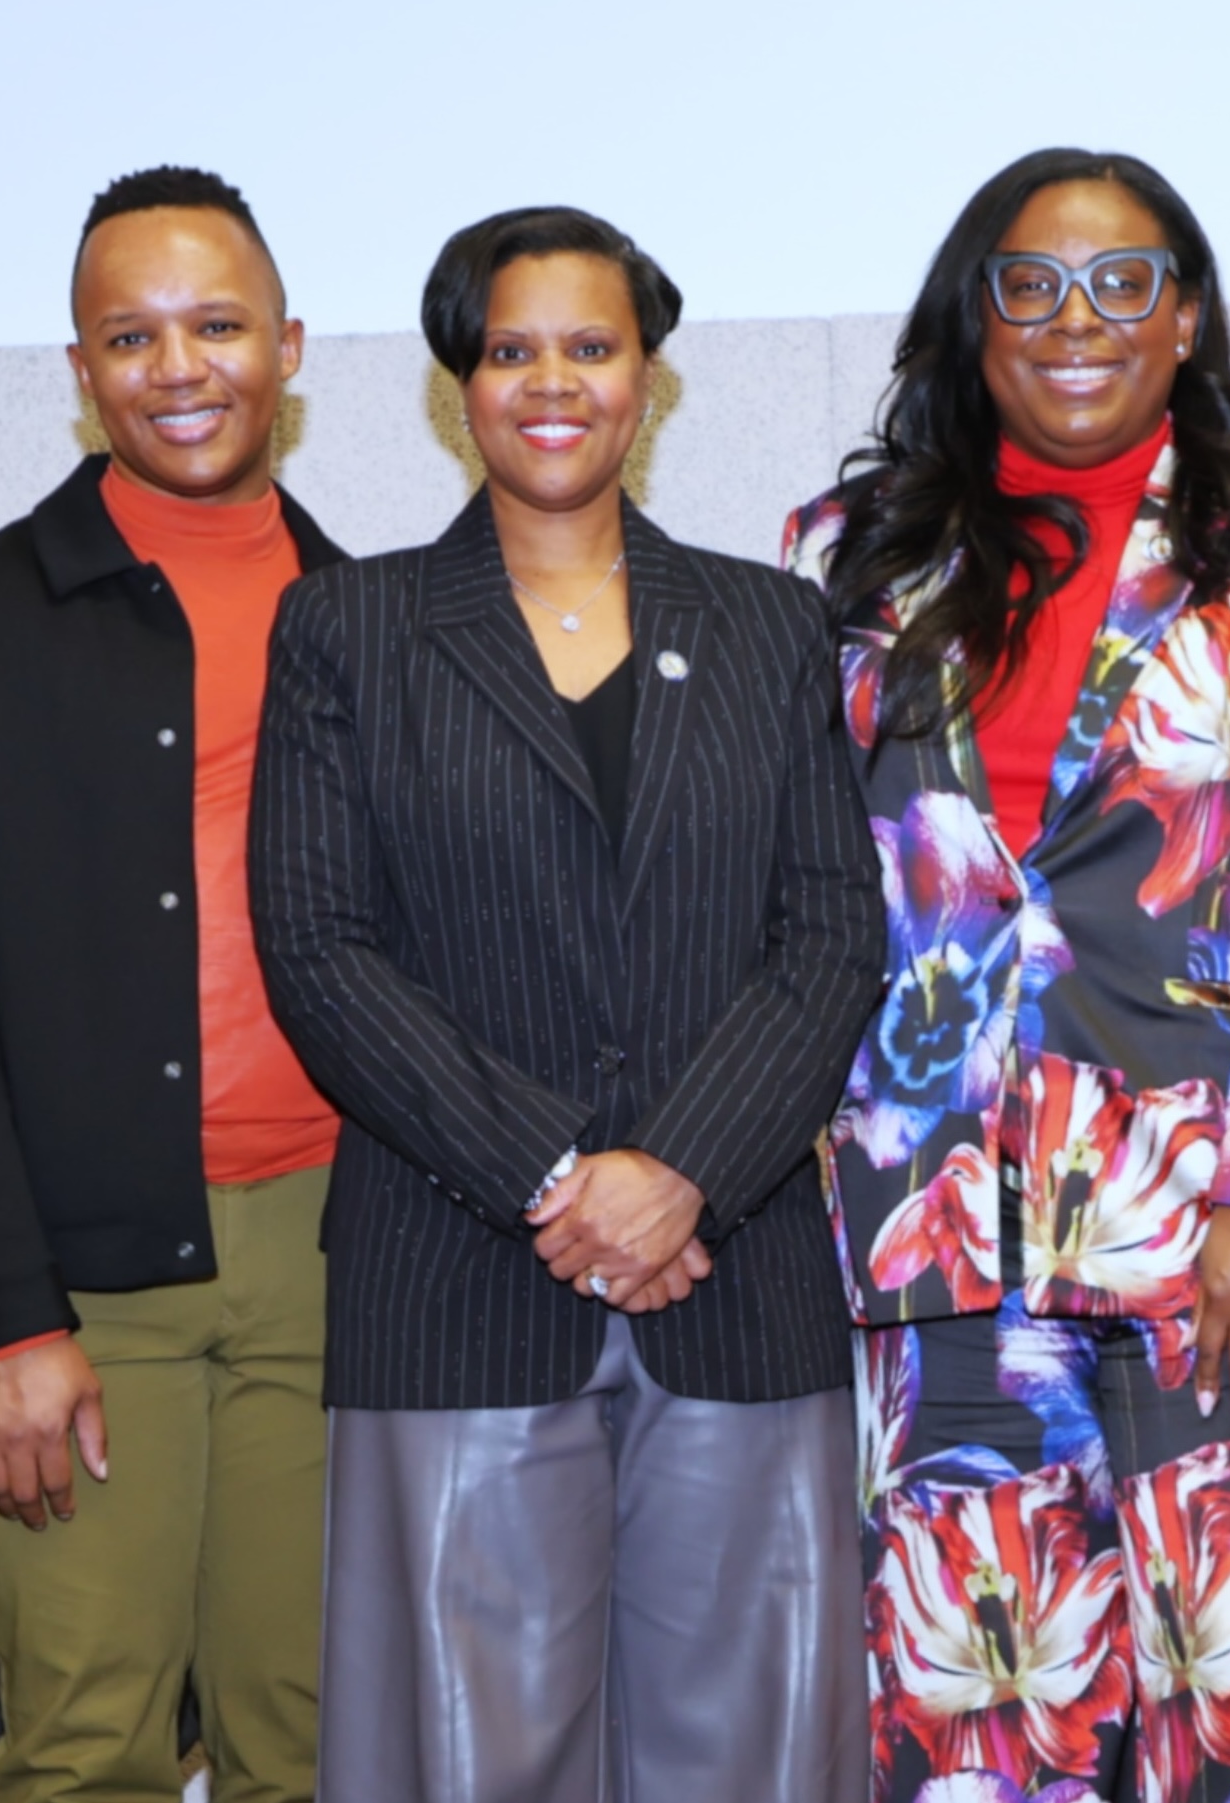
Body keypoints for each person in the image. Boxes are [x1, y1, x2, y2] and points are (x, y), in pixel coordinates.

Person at [784, 148, 1230, 1803]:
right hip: (938, 1237)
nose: (1080, 319)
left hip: (1222, 1246)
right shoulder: (848, 554)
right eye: (1034, 282)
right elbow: (803, 886)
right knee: (981, 1730)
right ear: (972, 316)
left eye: (1126, 280)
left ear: (1187, 318)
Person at [250, 206, 882, 1801]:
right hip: (461, 1276)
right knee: (472, 1752)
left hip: (730, 1277)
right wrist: (556, 1174)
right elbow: (321, 948)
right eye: (511, 348)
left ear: (647, 378)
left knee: (740, 1750)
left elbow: (829, 939)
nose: (552, 381)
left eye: (590, 347)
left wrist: (680, 1176)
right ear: (459, 380)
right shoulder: (350, 627)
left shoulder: (765, 623)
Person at [0, 166, 342, 1803]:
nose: (180, 366)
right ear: (79, 368)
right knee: (88, 1753)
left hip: (336, 1260)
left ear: (289, 346)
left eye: (217, 324)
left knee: (320, 1745)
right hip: (77, 1287)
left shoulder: (373, 613)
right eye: (131, 335)